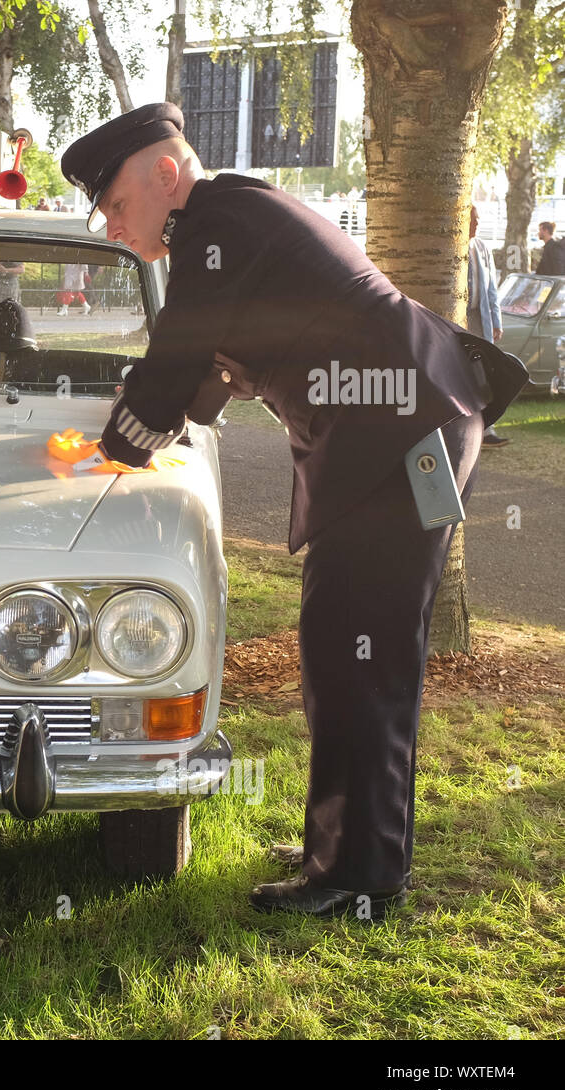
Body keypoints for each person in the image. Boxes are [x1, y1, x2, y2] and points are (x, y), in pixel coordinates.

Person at [61, 103, 526, 920]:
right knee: (350, 653)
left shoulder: (215, 225)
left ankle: (360, 876)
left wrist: (112, 448)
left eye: (115, 203)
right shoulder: (231, 221)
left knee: (360, 658)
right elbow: (208, 367)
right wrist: (155, 417)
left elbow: (175, 355)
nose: (110, 223)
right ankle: (348, 845)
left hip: (398, 443)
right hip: (402, 436)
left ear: (164, 176)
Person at [468, 205, 508, 448]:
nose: (477, 223)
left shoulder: (482, 248)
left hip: (479, 319)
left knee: (484, 373)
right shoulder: (451, 245)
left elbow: (491, 287)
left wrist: (496, 320)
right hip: (457, 320)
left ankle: (487, 430)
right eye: (473, 219)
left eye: (478, 219)